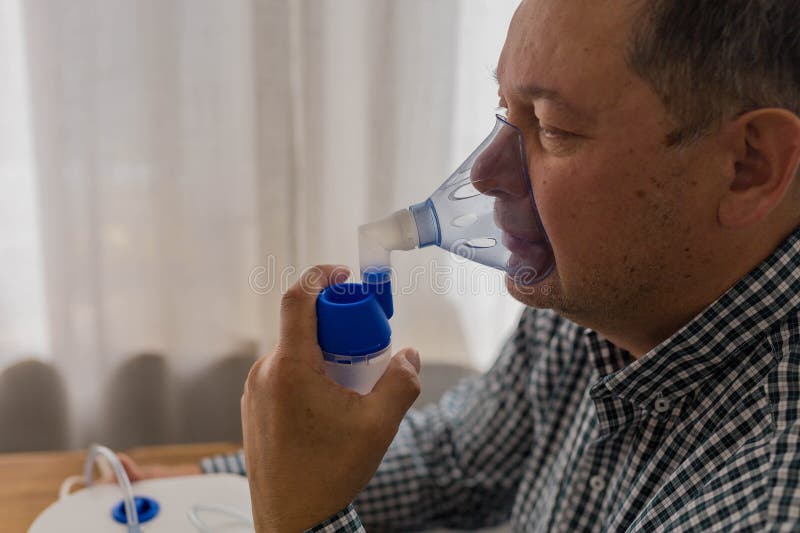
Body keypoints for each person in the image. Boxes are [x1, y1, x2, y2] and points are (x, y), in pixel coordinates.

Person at [121, 0, 800, 530]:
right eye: (505, 111)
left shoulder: (766, 499)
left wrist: (302, 519)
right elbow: (455, 456)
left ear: (747, 167)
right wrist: (198, 482)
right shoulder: (607, 300)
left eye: (553, 128)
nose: (485, 170)